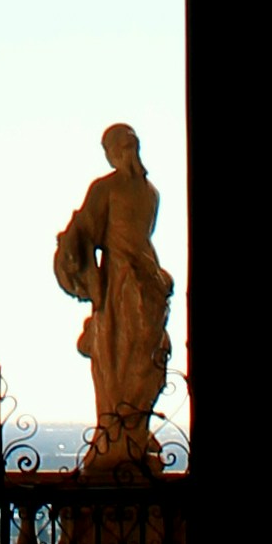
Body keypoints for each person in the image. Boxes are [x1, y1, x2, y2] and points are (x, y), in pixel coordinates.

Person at [54, 123, 175, 470]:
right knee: (144, 361)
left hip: (121, 289)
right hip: (148, 284)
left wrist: (72, 255)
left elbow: (85, 234)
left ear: (112, 151)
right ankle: (131, 431)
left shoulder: (106, 189)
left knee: (118, 364)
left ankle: (119, 433)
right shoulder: (152, 193)